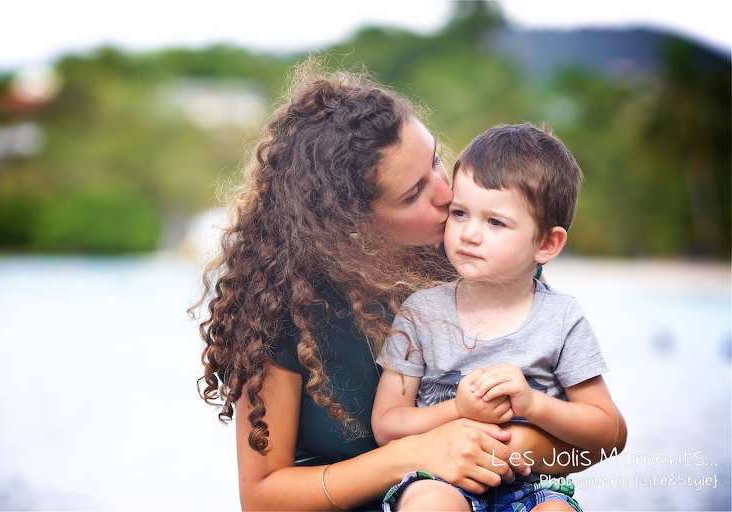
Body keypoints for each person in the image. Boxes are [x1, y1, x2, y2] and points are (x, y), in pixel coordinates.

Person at [192, 57, 625, 511]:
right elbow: (262, 498)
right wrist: (413, 454)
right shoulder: (276, 306)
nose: (447, 192)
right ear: (349, 225)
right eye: (414, 193)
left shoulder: (481, 261)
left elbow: (597, 442)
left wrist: (501, 445)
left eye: (437, 158)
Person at [372, 122, 625, 511]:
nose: (469, 233)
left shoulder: (561, 318)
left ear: (546, 243)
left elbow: (608, 433)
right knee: (428, 503)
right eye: (460, 213)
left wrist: (533, 404)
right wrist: (457, 409)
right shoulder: (421, 313)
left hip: (532, 486)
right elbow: (387, 426)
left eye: (495, 222)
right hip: (441, 476)